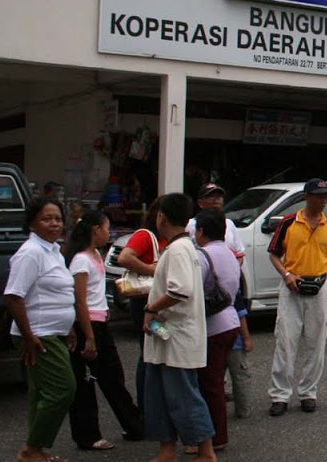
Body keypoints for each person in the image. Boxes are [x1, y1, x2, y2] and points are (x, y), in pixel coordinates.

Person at [141, 193, 216, 461]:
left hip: (178, 338)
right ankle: (167, 450)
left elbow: (180, 291)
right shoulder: (181, 247)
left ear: (161, 216)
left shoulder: (179, 250)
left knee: (184, 398)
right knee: (160, 397)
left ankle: (206, 452)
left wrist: (151, 308)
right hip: (167, 337)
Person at [5, 197, 77, 462]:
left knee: (40, 393)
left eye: (58, 218)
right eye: (47, 219)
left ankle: (34, 451)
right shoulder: (31, 252)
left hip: (51, 331)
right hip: (38, 333)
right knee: (63, 389)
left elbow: (57, 292)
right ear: (32, 223)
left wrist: (67, 327)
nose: (54, 223)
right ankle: (32, 448)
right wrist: (28, 336)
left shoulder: (53, 250)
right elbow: (14, 296)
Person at [66, 210, 144, 451]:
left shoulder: (96, 255)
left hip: (102, 323)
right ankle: (87, 435)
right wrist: (88, 336)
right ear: (95, 230)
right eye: (106, 228)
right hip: (87, 325)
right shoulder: (80, 260)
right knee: (86, 382)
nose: (108, 234)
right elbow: (79, 301)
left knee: (113, 377)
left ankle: (134, 425)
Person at [267, 178, 327, 417]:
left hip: (319, 285)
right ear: (306, 197)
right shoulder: (289, 222)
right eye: (319, 196)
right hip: (293, 285)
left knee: (317, 341)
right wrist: (287, 275)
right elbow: (274, 254)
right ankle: (280, 395)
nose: (323, 201)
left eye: (326, 197)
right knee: (285, 341)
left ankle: (308, 392)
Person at [191, 209, 241, 454]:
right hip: (231, 322)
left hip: (212, 326)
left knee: (209, 385)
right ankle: (213, 435)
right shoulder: (231, 254)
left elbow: (190, 292)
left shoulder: (203, 256)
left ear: (200, 231)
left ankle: (215, 437)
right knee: (216, 382)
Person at [116, 199, 164, 411]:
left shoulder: (169, 238)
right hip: (144, 301)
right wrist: (151, 269)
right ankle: (146, 408)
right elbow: (124, 258)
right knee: (148, 353)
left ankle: (154, 405)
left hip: (159, 301)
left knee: (157, 350)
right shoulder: (146, 235)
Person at [186, 183, 244, 257]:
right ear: (200, 203)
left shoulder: (229, 224)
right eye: (211, 197)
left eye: (218, 197)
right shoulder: (190, 225)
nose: (215, 200)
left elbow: (239, 253)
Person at [226, 292, 252, 420]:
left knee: (215, 378)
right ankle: (243, 409)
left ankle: (216, 410)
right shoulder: (233, 290)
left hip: (214, 340)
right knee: (240, 377)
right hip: (235, 341)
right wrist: (246, 338)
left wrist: (246, 338)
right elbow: (241, 315)